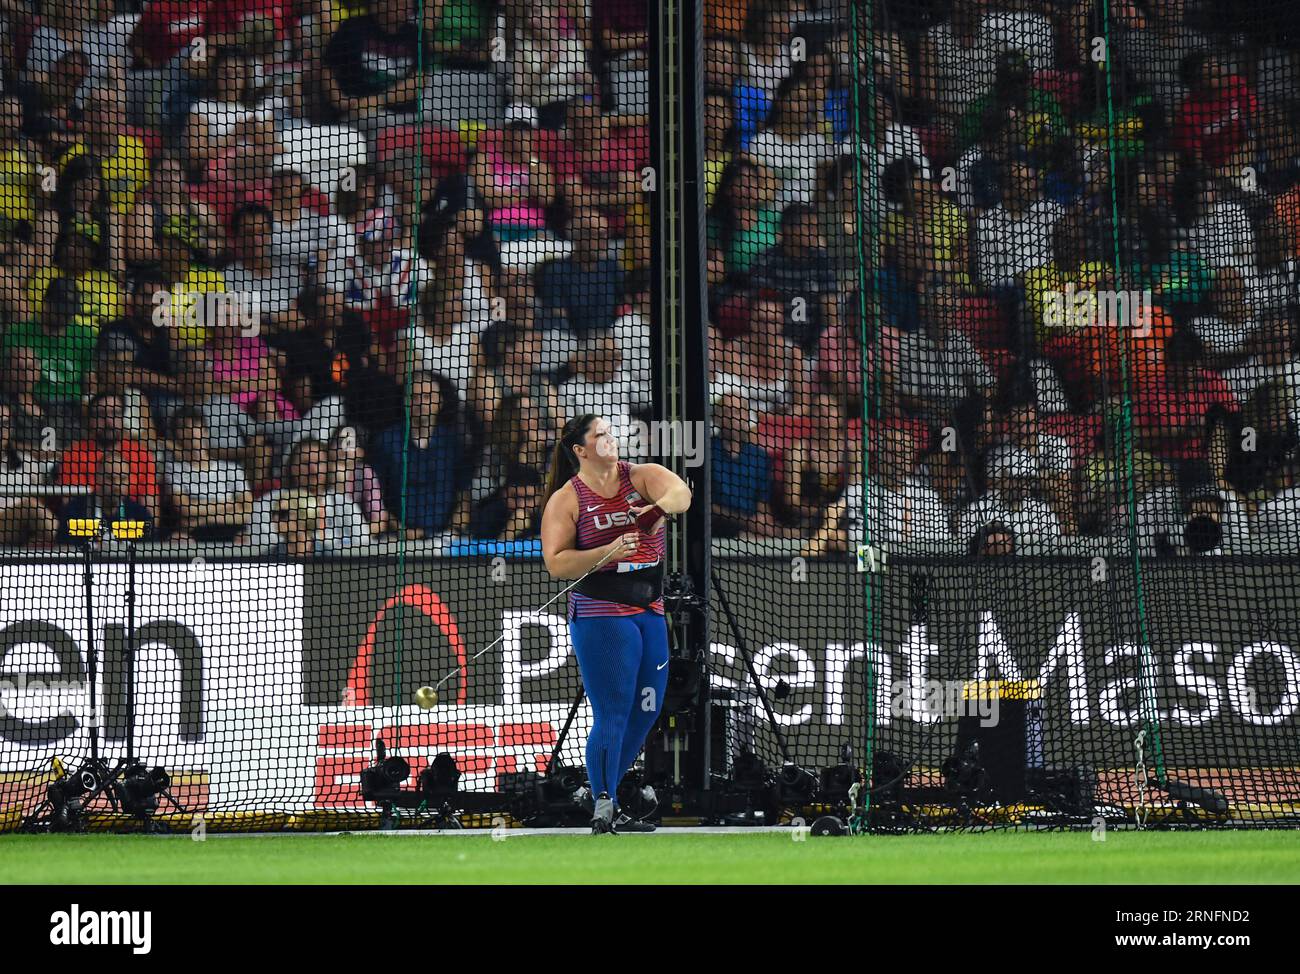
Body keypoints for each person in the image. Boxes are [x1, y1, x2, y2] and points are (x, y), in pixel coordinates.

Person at [539, 413, 691, 833]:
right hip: (601, 611)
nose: (611, 438)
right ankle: (605, 804)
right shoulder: (567, 499)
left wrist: (655, 511)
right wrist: (605, 552)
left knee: (647, 709)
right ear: (581, 450)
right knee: (613, 710)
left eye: (611, 432)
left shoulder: (639, 476)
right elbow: (556, 563)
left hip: (650, 608)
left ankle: (595, 792)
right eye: (600, 434)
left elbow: (681, 493)